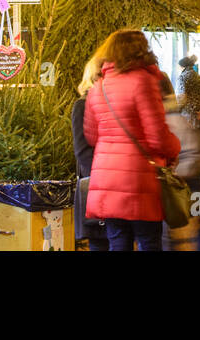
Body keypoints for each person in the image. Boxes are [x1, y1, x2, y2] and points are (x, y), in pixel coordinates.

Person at [83, 29, 181, 251]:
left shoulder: (98, 86)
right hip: (140, 179)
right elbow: (157, 137)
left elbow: (91, 136)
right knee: (149, 241)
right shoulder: (143, 81)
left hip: (106, 178)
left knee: (117, 242)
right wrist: (175, 148)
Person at [161, 74, 200, 250]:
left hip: (173, 180)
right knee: (199, 215)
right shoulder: (182, 119)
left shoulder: (162, 121)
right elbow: (196, 146)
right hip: (193, 174)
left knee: (168, 220)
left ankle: (169, 246)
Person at [71, 52, 108, 250]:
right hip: (97, 185)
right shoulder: (82, 105)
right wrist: (100, 179)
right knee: (100, 241)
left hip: (117, 185)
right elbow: (82, 151)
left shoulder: (115, 104)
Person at [176, 55, 200, 126]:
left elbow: (181, 97)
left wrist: (177, 109)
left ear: (182, 66)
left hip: (189, 112)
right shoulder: (198, 76)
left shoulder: (182, 77)